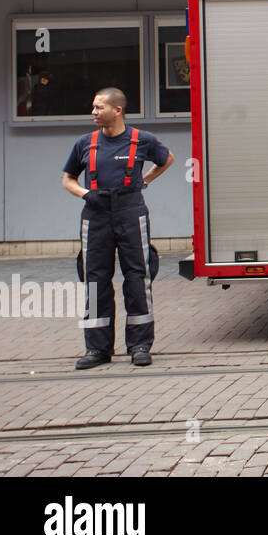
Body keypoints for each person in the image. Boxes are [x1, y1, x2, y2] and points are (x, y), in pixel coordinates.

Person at [61, 88, 174, 369]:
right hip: (95, 215)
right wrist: (85, 194)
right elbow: (68, 179)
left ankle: (139, 346)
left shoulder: (142, 140)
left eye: (99, 107)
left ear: (117, 110)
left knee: (137, 277)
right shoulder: (84, 143)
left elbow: (167, 159)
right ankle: (97, 349)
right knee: (95, 280)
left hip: (130, 213)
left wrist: (143, 181)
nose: (94, 112)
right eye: (93, 107)